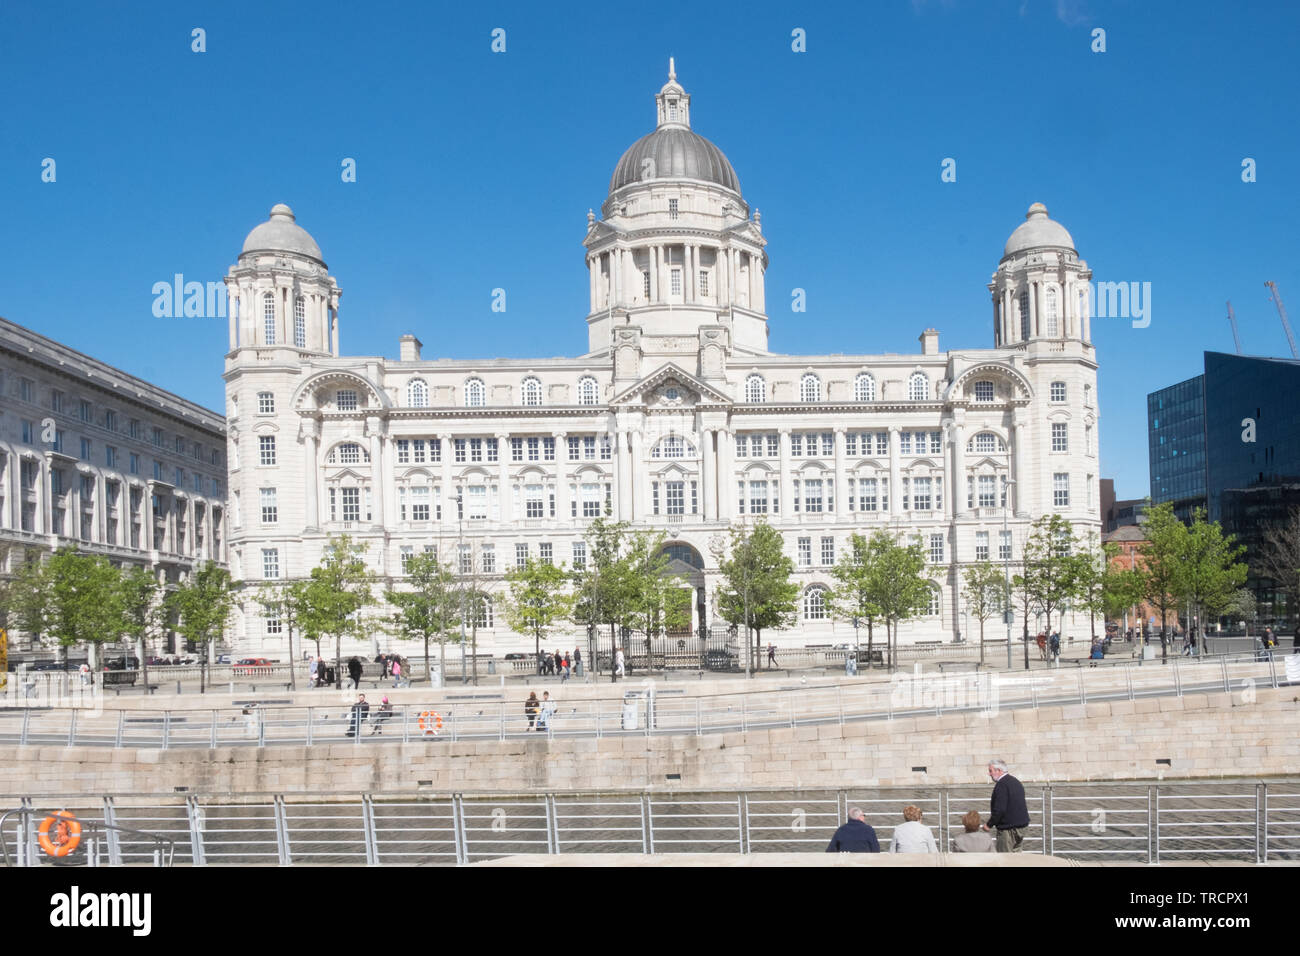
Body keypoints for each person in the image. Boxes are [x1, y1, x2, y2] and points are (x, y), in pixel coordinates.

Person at [984, 759, 1030, 852]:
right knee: (1016, 858)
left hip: (1008, 829)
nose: (989, 774)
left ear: (999, 771)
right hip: (1022, 827)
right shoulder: (1015, 781)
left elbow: (1000, 809)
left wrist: (989, 824)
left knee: (1004, 858)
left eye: (990, 771)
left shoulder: (1002, 785)